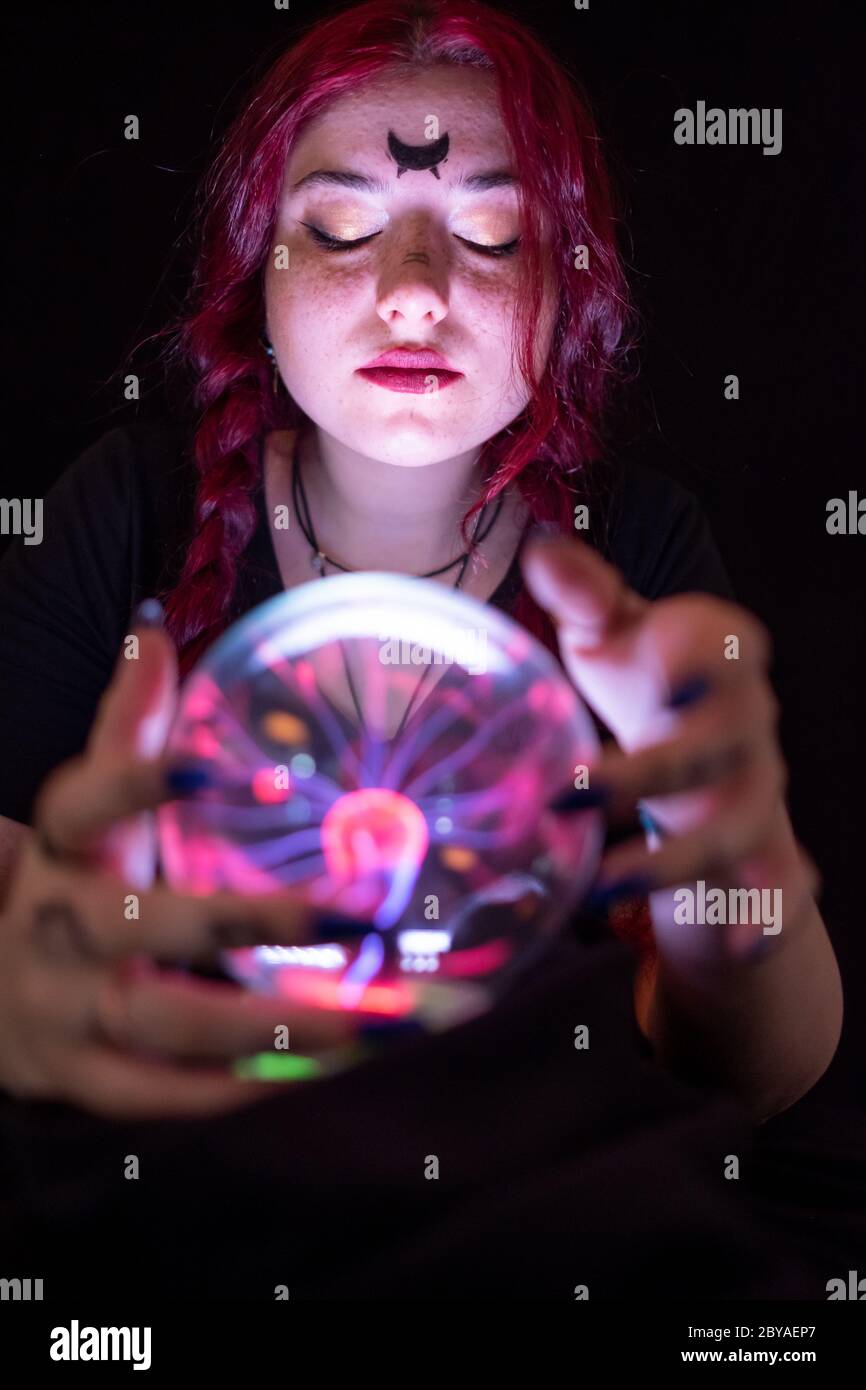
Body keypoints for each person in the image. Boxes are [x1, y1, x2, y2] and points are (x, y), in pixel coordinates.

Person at [0, 0, 848, 1299]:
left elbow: (765, 1073)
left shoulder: (638, 552)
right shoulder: (129, 511)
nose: (411, 291)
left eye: (492, 233)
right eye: (340, 226)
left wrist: (739, 886)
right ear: (256, 266)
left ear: (567, 285)